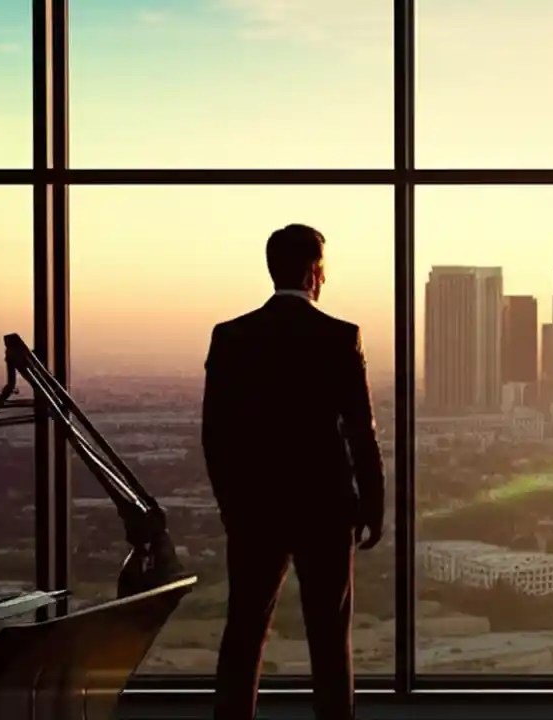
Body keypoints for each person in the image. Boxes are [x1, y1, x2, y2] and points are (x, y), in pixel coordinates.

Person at [201, 223, 385, 720]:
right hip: (325, 509)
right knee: (329, 638)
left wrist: (231, 506)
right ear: (313, 273)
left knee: (244, 631)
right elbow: (361, 432)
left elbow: (214, 436)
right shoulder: (339, 337)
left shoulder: (231, 337)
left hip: (255, 511)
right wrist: (373, 505)